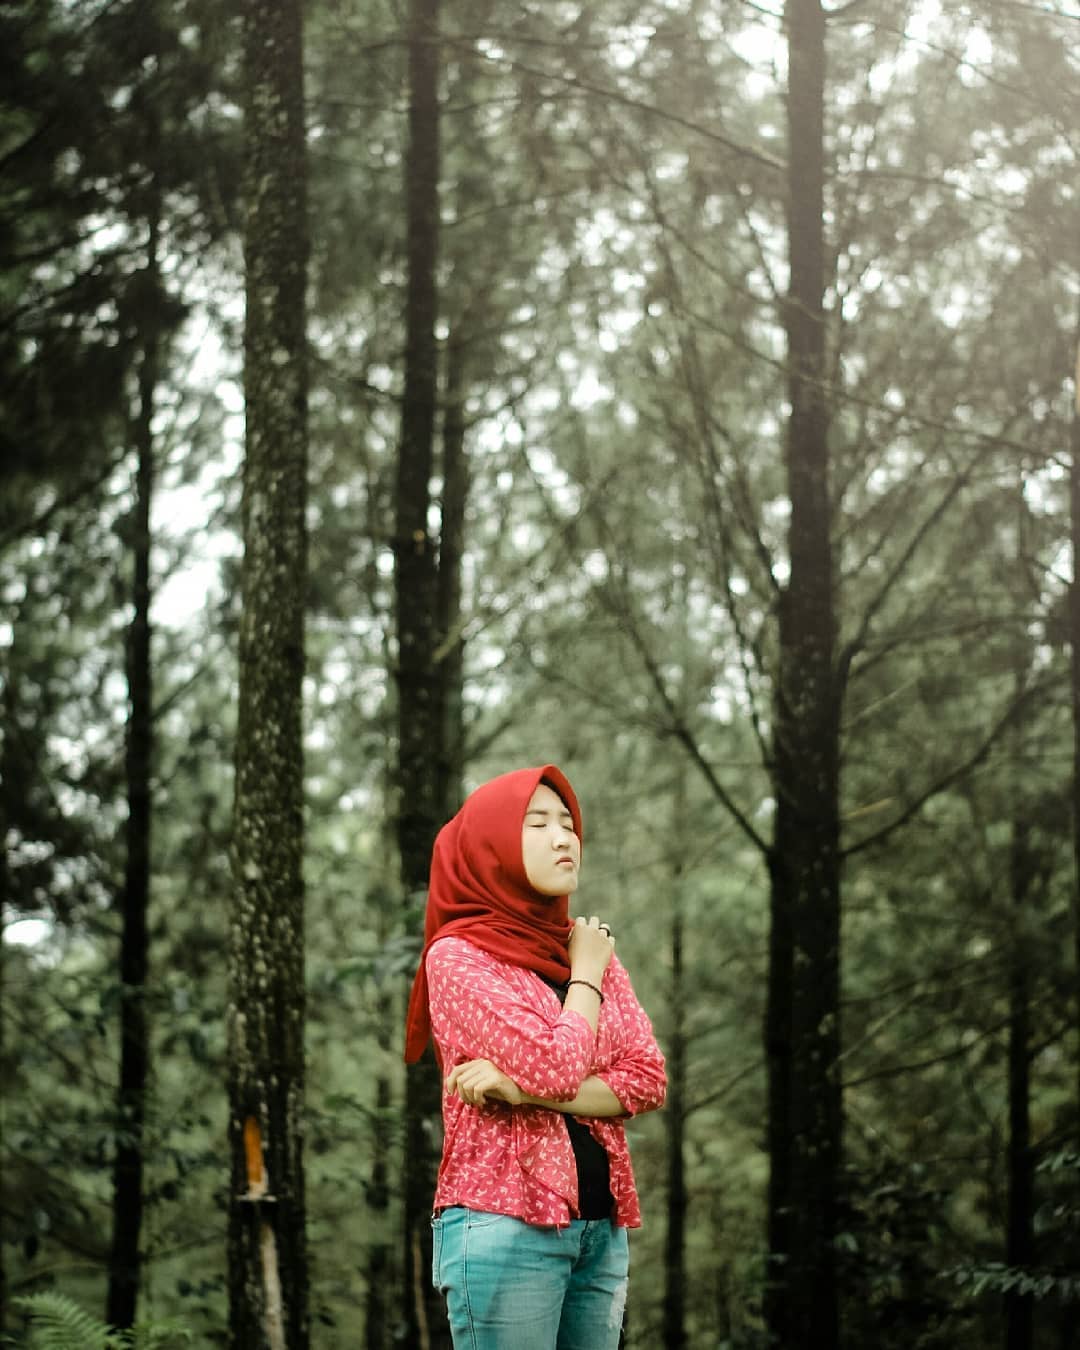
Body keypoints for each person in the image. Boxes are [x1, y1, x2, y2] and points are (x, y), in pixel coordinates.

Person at [404, 764, 666, 1350]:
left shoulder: (580, 944)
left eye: (568, 824)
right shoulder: (459, 957)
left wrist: (520, 1090)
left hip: (600, 1228)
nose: (562, 838)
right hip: (506, 1224)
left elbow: (647, 1080)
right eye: (537, 823)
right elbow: (560, 1066)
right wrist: (589, 977)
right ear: (492, 844)